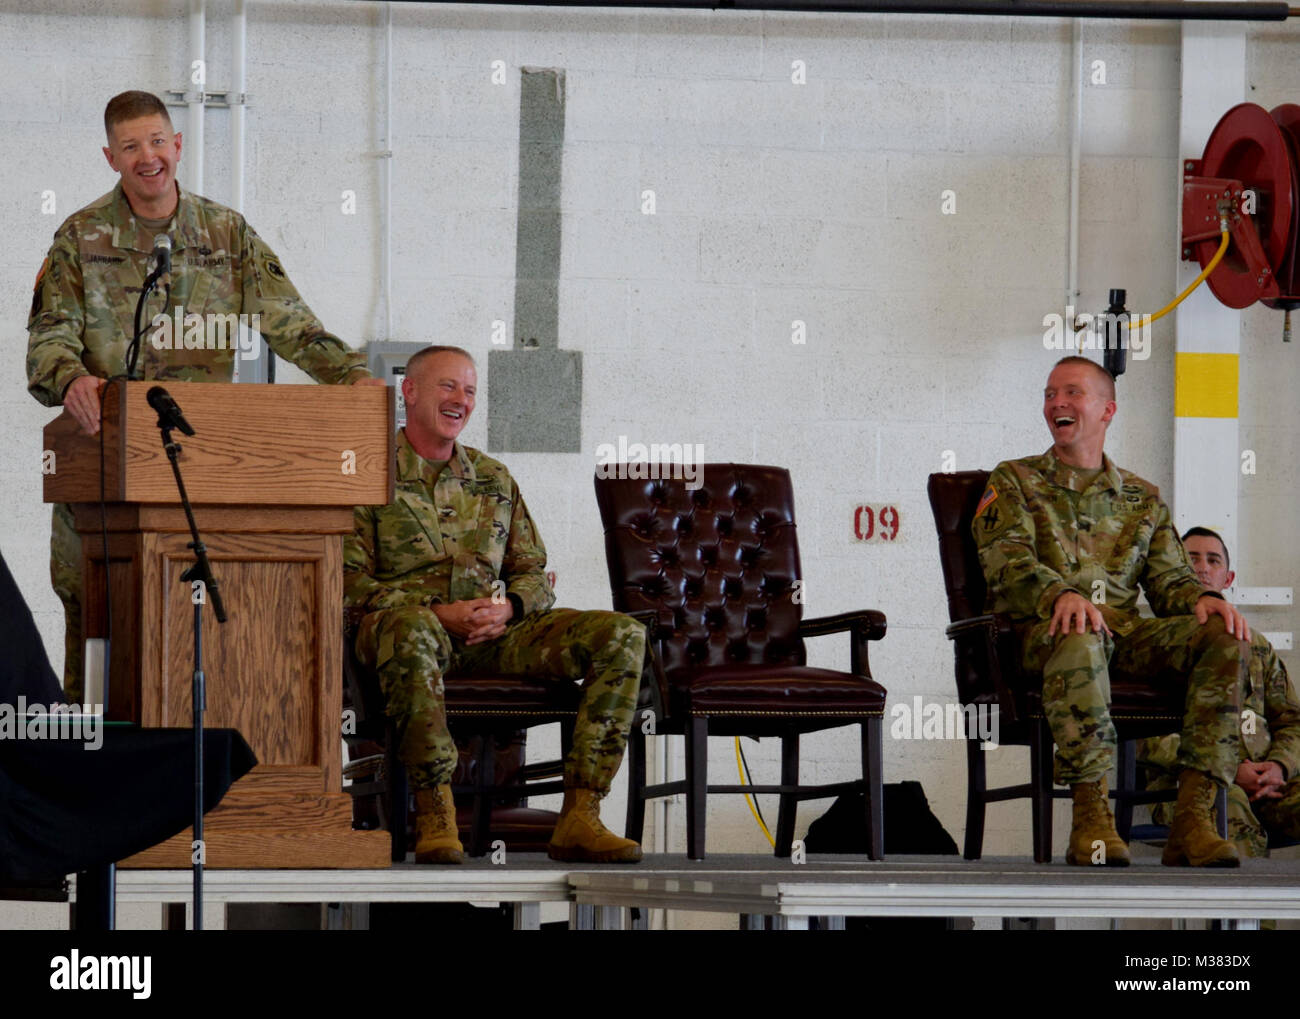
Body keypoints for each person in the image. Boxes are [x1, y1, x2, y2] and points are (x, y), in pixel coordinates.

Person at [26, 90, 382, 701]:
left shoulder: (226, 233)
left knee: (207, 625)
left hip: (207, 471)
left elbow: (292, 324)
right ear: (111, 157)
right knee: (99, 633)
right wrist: (70, 377)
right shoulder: (80, 237)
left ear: (179, 146)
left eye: (158, 142)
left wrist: (352, 379)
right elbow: (48, 335)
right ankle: (96, 775)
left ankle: (213, 770)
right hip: (108, 471)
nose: (148, 158)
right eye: (132, 147)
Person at [343, 345, 645, 864]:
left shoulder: (494, 478)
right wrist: (439, 613)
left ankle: (581, 814)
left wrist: (510, 608)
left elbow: (533, 572)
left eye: (470, 390)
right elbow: (345, 582)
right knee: (413, 628)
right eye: (447, 386)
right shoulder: (369, 474)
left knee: (622, 634)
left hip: (494, 635)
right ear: (409, 392)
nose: (461, 400)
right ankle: (435, 814)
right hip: (409, 634)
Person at [974, 356, 1250, 867]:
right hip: (1043, 634)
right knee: (1080, 630)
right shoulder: (1014, 480)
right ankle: (1092, 817)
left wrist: (1204, 599)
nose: (1057, 402)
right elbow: (1005, 561)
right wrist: (1060, 593)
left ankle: (1192, 816)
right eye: (1050, 393)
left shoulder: (1141, 499)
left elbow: (1170, 583)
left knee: (1224, 636)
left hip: (1123, 635)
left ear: (1107, 410)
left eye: (1072, 392)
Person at [1140, 528, 1300, 856]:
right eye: (1191, 559)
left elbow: (1292, 722)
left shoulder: (1256, 647)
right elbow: (1142, 735)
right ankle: (1234, 910)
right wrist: (1229, 768)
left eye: (1213, 561)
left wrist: (1279, 767)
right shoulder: (1151, 645)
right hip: (1187, 786)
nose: (1202, 567)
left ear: (1227, 578)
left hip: (1268, 782)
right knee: (1229, 806)